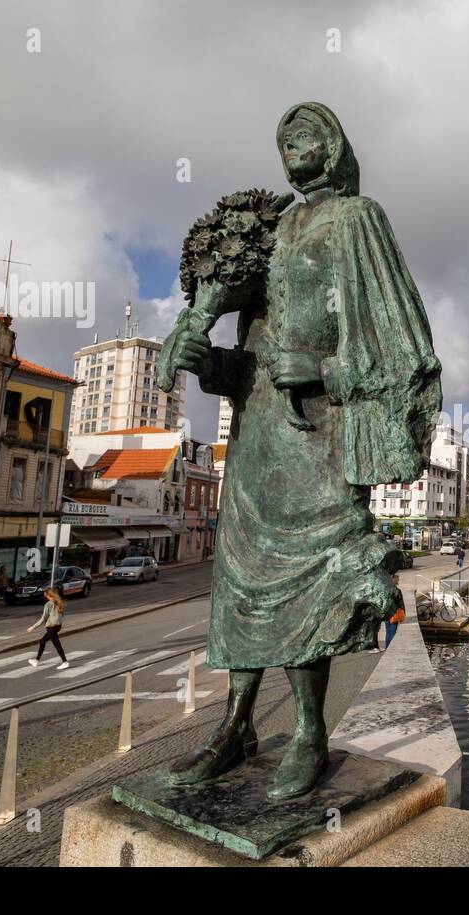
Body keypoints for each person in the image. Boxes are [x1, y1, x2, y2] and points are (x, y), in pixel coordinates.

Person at [162, 102, 441, 800]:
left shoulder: (357, 219)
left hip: (319, 435)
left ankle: (311, 733)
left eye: (307, 135)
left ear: (336, 145)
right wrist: (208, 361)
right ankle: (235, 726)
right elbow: (248, 360)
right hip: (258, 437)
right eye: (284, 140)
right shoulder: (274, 228)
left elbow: (407, 349)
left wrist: (326, 372)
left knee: (308, 586)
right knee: (241, 584)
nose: (295, 149)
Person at [27, 588, 69, 670]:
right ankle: (36, 660)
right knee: (42, 641)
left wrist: (33, 627)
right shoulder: (59, 601)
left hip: (51, 627)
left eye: (45, 593)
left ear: (48, 595)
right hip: (58, 626)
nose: (44, 595)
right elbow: (62, 615)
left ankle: (65, 662)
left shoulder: (48, 604)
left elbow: (43, 618)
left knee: (57, 645)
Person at [383, 574, 405, 651]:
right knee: (392, 631)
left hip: (386, 614)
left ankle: (387, 647)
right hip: (394, 614)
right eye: (397, 579)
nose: (398, 581)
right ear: (394, 580)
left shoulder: (385, 590)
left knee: (388, 631)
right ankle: (391, 649)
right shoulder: (397, 591)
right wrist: (403, 613)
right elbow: (401, 604)